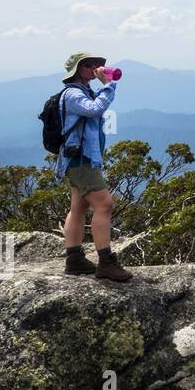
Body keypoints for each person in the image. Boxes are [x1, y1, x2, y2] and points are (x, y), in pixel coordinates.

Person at [57, 52, 132, 281]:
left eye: (98, 64)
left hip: (82, 159)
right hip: (80, 160)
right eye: (89, 65)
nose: (95, 68)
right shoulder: (72, 94)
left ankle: (74, 259)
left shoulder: (84, 91)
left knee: (78, 208)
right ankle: (106, 263)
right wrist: (108, 86)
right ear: (77, 70)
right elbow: (95, 110)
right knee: (105, 204)